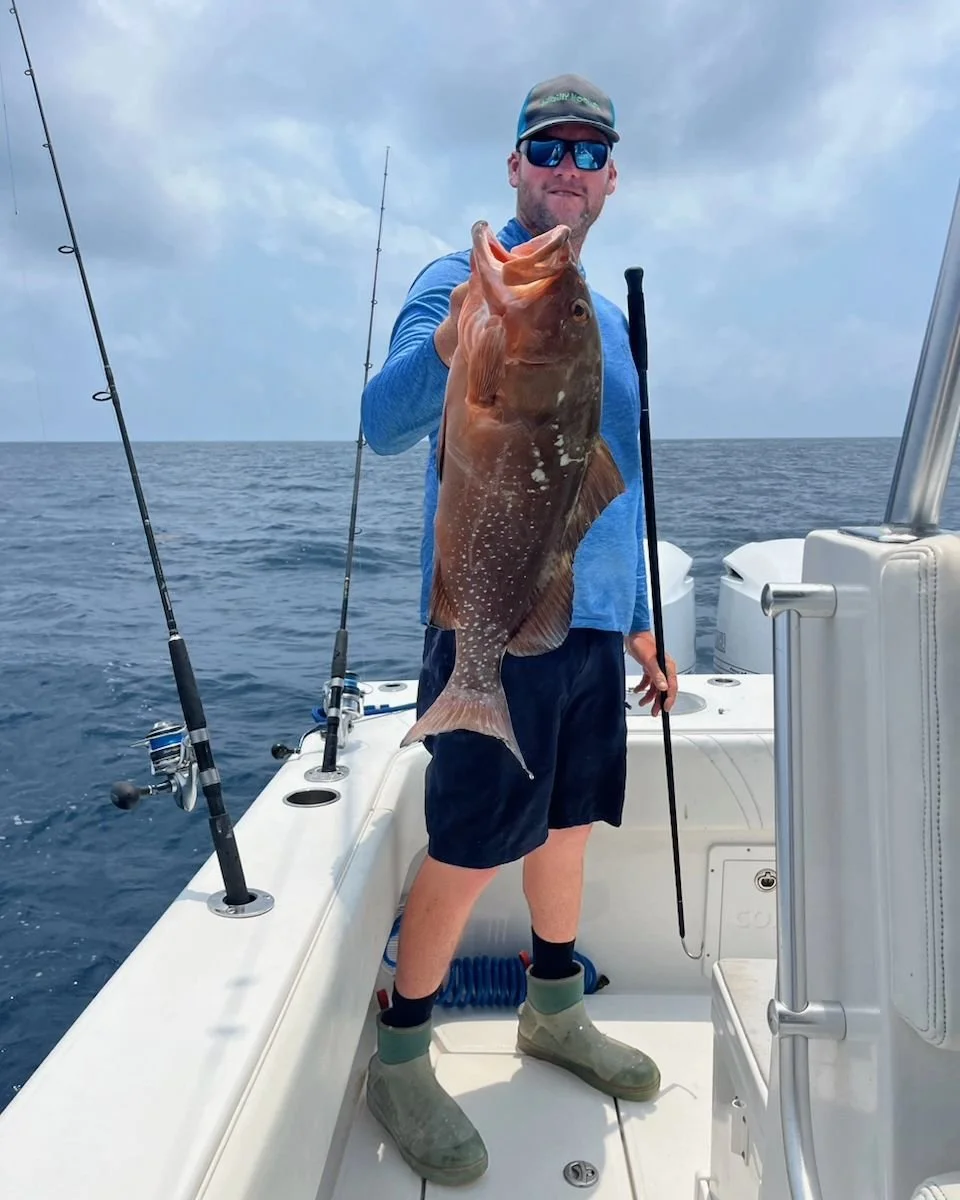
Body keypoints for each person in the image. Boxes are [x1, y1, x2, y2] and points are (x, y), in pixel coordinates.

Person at [359, 72, 679, 1188]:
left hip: (588, 630)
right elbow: (380, 424)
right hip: (487, 612)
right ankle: (402, 1056)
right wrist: (456, 339)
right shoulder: (459, 283)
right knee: (469, 844)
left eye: (590, 153)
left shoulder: (603, 320)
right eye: (548, 148)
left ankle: (554, 1009)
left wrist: (639, 622)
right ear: (514, 166)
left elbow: (613, 483)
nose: (567, 169)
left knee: (570, 830)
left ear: (611, 179)